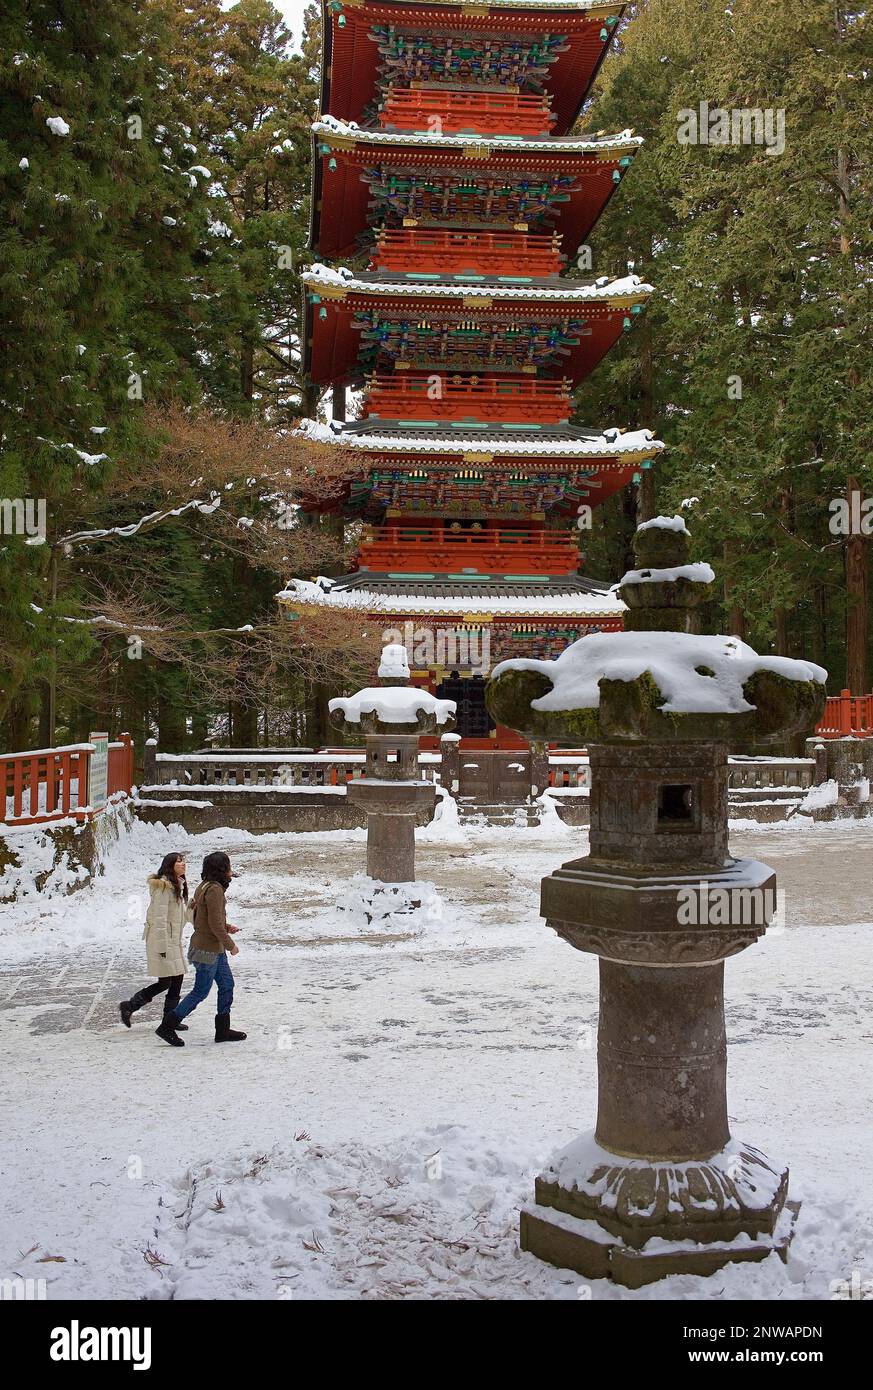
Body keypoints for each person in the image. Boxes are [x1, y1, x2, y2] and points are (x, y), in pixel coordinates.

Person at [156, 850, 247, 1046]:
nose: (231, 870)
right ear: (221, 869)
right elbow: (213, 924)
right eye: (228, 866)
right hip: (207, 950)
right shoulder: (214, 889)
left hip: (213, 948)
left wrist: (227, 927)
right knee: (200, 991)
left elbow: (205, 918)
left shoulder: (205, 885)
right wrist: (231, 945)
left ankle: (222, 1030)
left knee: (227, 985)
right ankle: (168, 1025)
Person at [119, 853, 192, 1030]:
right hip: (162, 940)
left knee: (170, 980)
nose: (183, 864)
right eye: (179, 861)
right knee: (170, 980)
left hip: (171, 940)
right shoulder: (163, 888)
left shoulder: (176, 886)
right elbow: (159, 920)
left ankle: (134, 1007)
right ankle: (163, 1018)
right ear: (170, 865)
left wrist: (190, 907)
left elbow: (179, 918)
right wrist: (161, 946)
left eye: (183, 861)